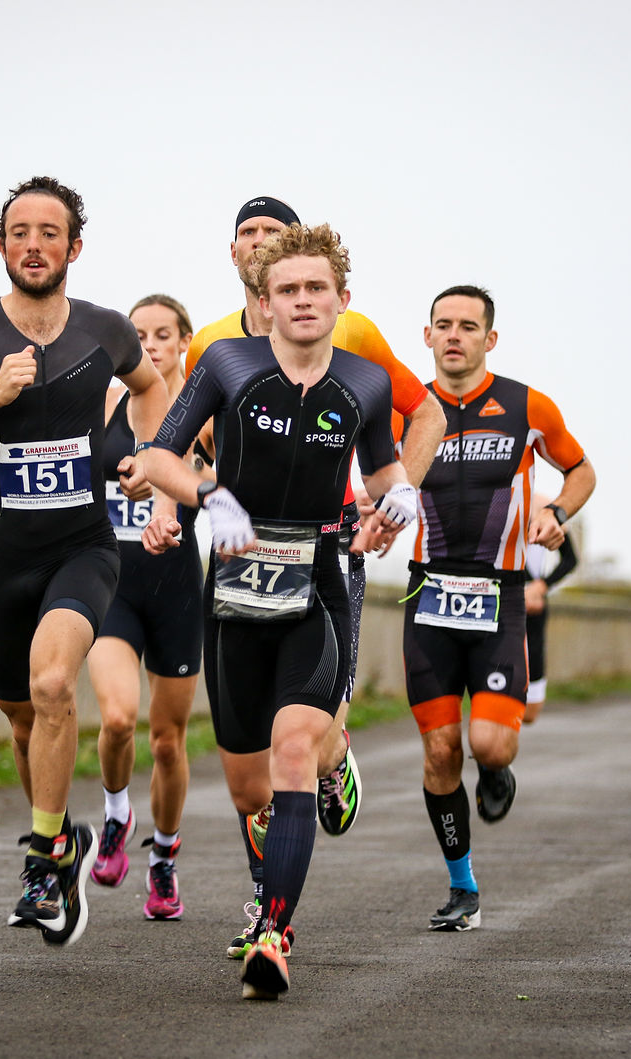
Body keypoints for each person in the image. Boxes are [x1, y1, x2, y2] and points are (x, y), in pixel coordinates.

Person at [140, 223, 416, 999]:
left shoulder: (364, 382)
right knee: (249, 789)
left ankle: (274, 932)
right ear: (263, 302)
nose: (302, 301)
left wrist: (400, 500)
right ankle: (320, 784)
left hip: (317, 578)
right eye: (287, 289)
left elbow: (385, 467)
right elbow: (163, 453)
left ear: (342, 299)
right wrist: (208, 495)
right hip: (231, 585)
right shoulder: (226, 363)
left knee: (293, 747)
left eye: (316, 288)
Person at [0, 176, 168, 947]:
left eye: (49, 232)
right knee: (25, 725)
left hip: (83, 548)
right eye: (19, 232)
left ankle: (38, 865)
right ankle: (60, 843)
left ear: (74, 247)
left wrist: (148, 457)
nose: (34, 244)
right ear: (1, 248)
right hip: (5, 559)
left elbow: (153, 386)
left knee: (55, 682)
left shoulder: (104, 330)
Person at [186, 196, 446, 847]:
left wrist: (395, 494)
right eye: (248, 232)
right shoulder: (211, 344)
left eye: (273, 232)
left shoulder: (350, 332)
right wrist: (186, 499)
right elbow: (192, 444)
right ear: (237, 252)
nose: (259, 241)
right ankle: (264, 895)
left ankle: (334, 758)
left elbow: (430, 415)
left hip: (331, 547)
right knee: (254, 755)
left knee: (309, 739)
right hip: (245, 553)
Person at [404, 285, 595, 932]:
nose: (454, 335)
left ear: (491, 339)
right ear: (426, 336)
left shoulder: (524, 405)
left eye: (469, 326)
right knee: (437, 752)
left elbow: (582, 469)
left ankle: (496, 769)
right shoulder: (406, 410)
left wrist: (556, 510)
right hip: (426, 593)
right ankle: (463, 888)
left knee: (487, 741)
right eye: (443, 325)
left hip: (500, 595)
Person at [85, 295, 211, 920]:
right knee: (116, 720)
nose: (152, 345)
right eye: (139, 335)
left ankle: (163, 857)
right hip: (112, 587)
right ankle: (114, 815)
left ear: (185, 342)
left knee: (166, 742)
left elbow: (223, 480)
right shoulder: (103, 406)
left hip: (177, 592)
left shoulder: (203, 415)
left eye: (164, 334)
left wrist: (176, 472)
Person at [522, 532, 579, 725]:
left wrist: (540, 587)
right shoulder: (494, 505)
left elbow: (570, 559)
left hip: (534, 607)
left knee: (530, 712)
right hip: (497, 600)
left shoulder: (544, 508)